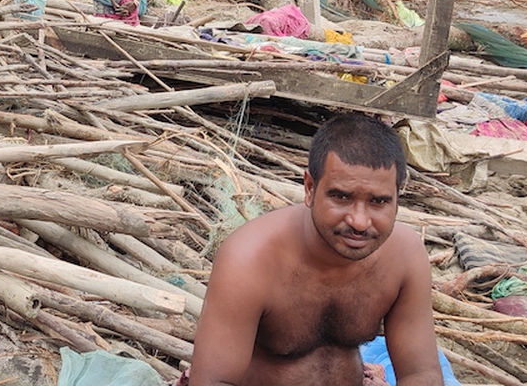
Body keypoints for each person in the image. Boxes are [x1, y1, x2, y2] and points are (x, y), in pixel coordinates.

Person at [189, 114, 443, 386]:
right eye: (341, 197)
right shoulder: (251, 259)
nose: (359, 221)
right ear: (310, 188)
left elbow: (420, 374)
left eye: (378, 202)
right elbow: (213, 381)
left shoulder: (403, 256)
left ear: (397, 198)